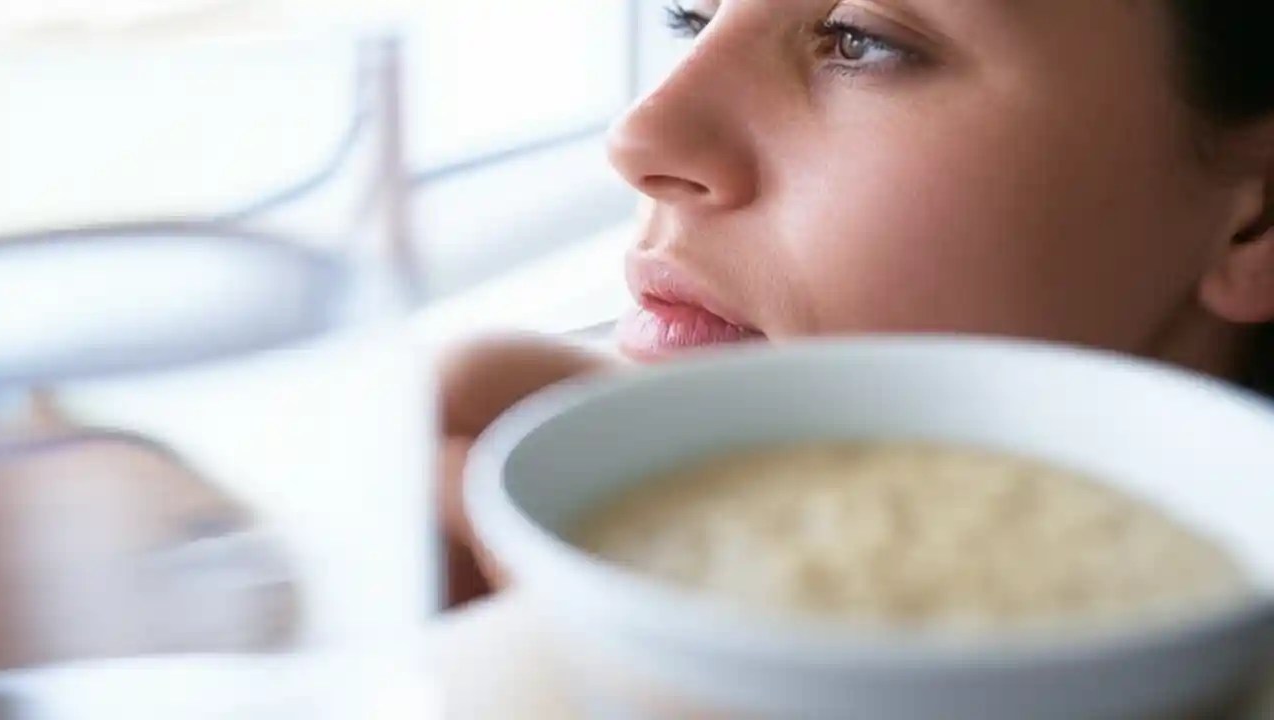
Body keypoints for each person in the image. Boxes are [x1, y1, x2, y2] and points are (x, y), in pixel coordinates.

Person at [440, 0, 1274, 605]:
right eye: (689, 16)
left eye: (859, 40)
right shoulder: (503, 458)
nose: (642, 137)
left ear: (1257, 219)